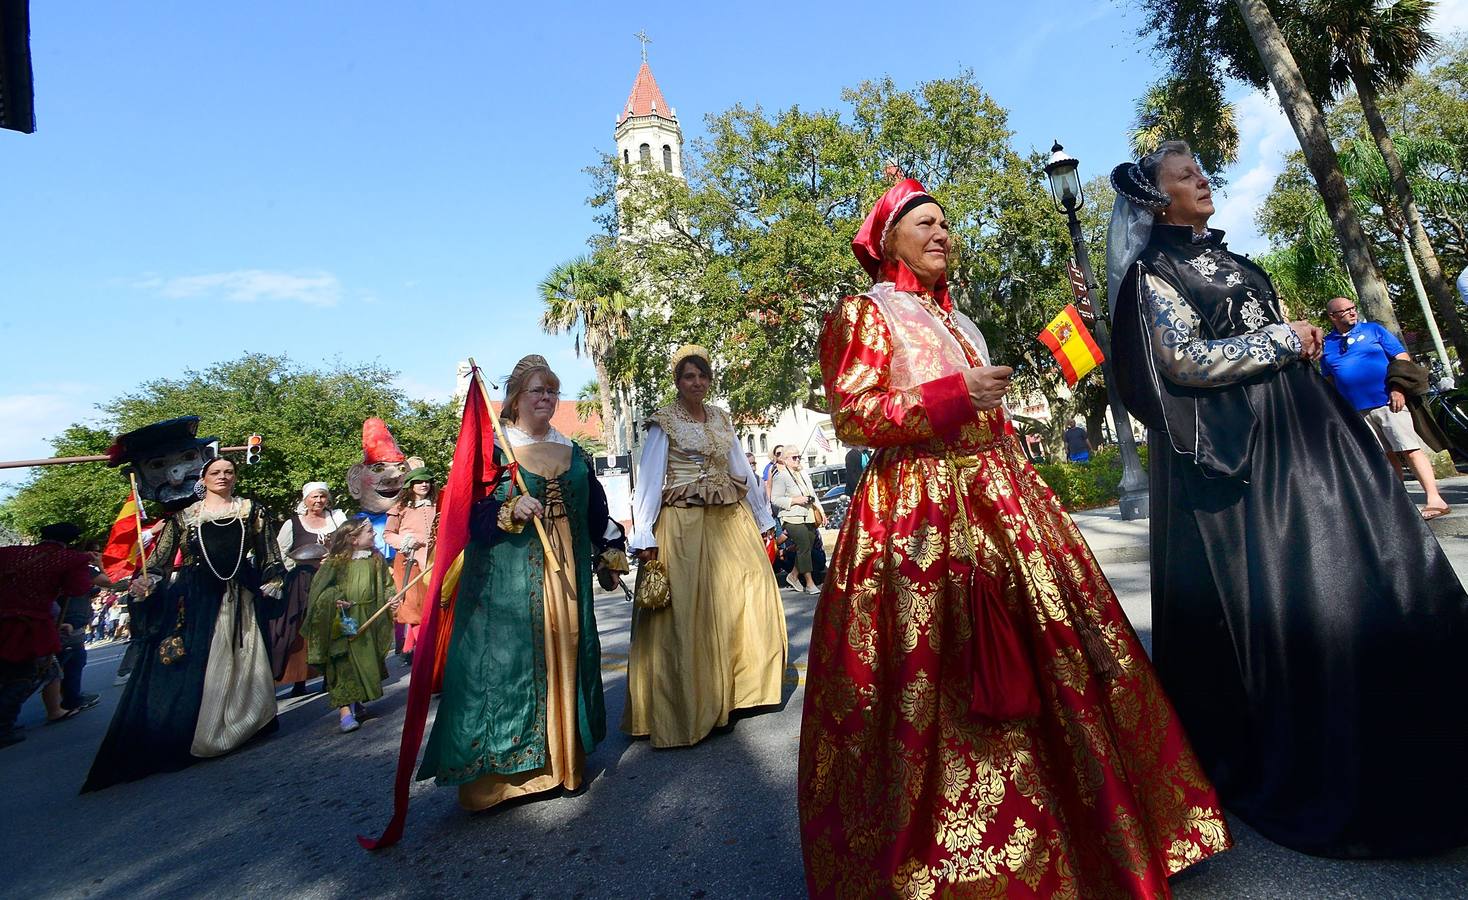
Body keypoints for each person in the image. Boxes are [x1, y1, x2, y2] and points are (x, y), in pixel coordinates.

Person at [798, 177, 1229, 896]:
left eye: (946, 223)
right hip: (918, 514)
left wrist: (992, 415)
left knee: (1064, 658)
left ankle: (1093, 842)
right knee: (932, 682)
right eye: (925, 223)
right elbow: (854, 415)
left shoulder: (962, 321)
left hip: (1005, 499)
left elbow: (978, 408)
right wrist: (953, 396)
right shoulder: (865, 313)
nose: (942, 233)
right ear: (889, 239)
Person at [1107, 142, 1468, 857]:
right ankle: (1338, 761)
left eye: (1201, 170)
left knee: (1382, 568)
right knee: (1315, 587)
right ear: (1156, 199)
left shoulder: (1241, 263)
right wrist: (1280, 339)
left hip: (1312, 434)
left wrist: (1294, 343)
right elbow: (1180, 361)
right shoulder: (1155, 273)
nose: (1202, 179)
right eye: (1185, 176)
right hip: (1247, 459)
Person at [418, 355, 628, 810]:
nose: (547, 398)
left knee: (567, 657)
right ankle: (505, 777)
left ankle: (560, 762)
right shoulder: (496, 451)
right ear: (515, 398)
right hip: (506, 583)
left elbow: (594, 509)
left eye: (551, 390)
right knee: (509, 670)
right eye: (537, 390)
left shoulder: (573, 451)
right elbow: (466, 519)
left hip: (566, 575)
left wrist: (610, 550)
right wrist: (508, 510)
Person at [84, 456, 286, 792]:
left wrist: (273, 578)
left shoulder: (251, 509)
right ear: (203, 478)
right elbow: (159, 562)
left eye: (229, 472)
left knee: (245, 658)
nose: (223, 476)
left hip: (240, 594)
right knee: (202, 663)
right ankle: (204, 730)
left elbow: (268, 551)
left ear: (235, 477)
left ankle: (246, 722)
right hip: (197, 597)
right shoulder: (185, 517)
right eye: (215, 472)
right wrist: (146, 581)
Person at [625, 345, 787, 748]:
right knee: (692, 607)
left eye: (702, 376)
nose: (696, 383)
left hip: (729, 517)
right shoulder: (664, 422)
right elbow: (648, 478)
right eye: (688, 376)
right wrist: (643, 532)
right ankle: (698, 700)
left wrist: (764, 518)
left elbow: (741, 469)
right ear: (677, 381)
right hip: (684, 520)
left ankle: (743, 691)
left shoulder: (720, 417)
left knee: (743, 594)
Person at [1319, 297, 1450, 519]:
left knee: (1408, 449)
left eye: (1353, 308)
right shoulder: (1327, 344)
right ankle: (1402, 505)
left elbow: (1402, 358)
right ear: (1333, 316)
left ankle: (1435, 499)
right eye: (1345, 311)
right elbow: (1329, 379)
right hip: (1357, 411)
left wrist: (1397, 388)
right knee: (1385, 456)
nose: (1352, 313)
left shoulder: (1374, 330)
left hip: (1389, 402)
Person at [0, 523, 104, 747]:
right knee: (24, 673)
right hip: (29, 624)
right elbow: (77, 589)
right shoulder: (69, 559)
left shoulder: (9, 553)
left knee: (7, 672)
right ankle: (3, 726)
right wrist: (88, 563)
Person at [305, 517, 395, 733]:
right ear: (353, 539)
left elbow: (387, 584)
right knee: (342, 661)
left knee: (364, 661)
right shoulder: (336, 562)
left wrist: (392, 598)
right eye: (370, 532)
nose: (374, 534)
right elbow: (320, 591)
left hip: (369, 617)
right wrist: (334, 599)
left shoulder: (376, 559)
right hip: (342, 620)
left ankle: (357, 702)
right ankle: (345, 710)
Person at [271, 482, 348, 697]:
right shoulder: (293, 523)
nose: (319, 501)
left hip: (332, 579)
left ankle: (329, 674)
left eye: (322, 497)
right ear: (305, 499)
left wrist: (335, 560)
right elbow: (281, 551)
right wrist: (290, 571)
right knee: (299, 630)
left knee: (329, 626)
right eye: (314, 497)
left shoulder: (336, 520)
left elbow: (348, 545)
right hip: (302, 582)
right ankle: (299, 679)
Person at [383, 467, 437, 666]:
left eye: (427, 481)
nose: (424, 484)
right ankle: (421, 652)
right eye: (419, 482)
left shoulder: (437, 505)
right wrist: (405, 540)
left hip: (434, 561)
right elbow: (388, 534)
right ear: (410, 486)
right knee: (414, 609)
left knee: (433, 608)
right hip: (409, 562)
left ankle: (417, 649)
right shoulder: (400, 507)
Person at [769, 453, 821, 593]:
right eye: (794, 457)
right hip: (791, 517)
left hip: (808, 515)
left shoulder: (803, 473)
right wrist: (795, 500)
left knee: (808, 545)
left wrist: (820, 511)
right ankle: (810, 583)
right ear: (785, 460)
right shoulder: (781, 476)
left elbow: (813, 494)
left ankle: (793, 575)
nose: (797, 459)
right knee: (803, 545)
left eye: (799, 456)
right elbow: (775, 499)